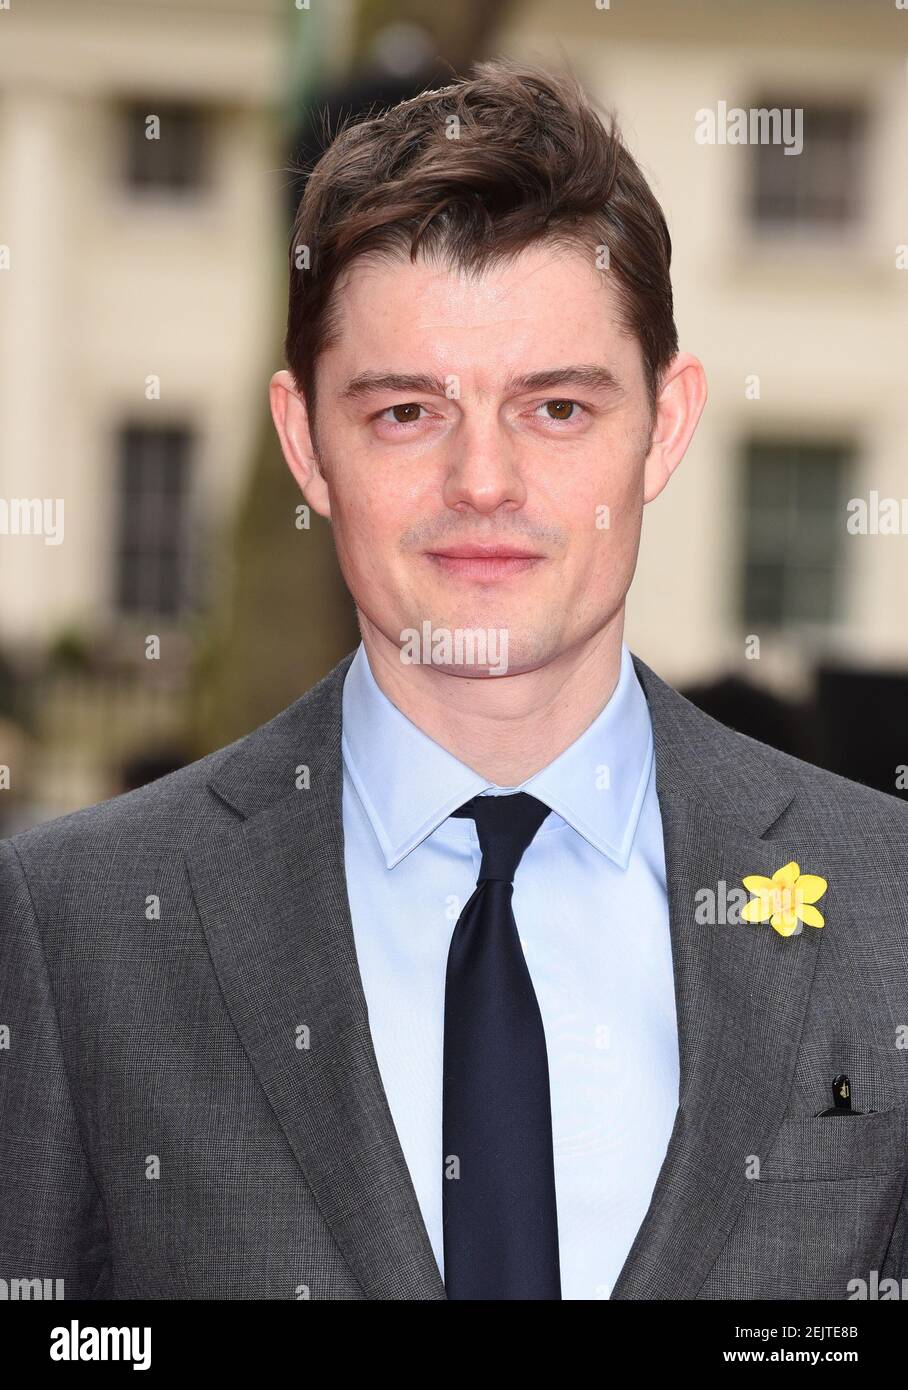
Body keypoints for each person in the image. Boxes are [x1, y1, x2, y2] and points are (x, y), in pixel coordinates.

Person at [2, 60, 906, 1302]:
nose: (482, 481)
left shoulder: (885, 906)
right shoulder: (74, 926)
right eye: (406, 413)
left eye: (554, 408)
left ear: (666, 422)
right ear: (303, 442)